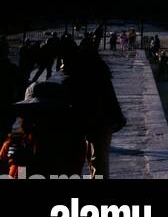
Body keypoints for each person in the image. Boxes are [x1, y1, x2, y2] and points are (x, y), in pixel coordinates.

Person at [61, 50, 125, 179]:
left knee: (97, 158)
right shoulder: (98, 78)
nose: (62, 68)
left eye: (64, 64)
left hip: (98, 122)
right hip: (100, 122)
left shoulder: (80, 82)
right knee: (94, 157)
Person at [2, 81, 86, 178]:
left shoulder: (70, 141)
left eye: (42, 111)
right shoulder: (23, 140)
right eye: (32, 111)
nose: (36, 118)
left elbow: (65, 171)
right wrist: (17, 163)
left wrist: (29, 163)